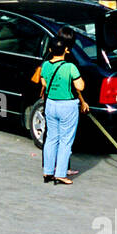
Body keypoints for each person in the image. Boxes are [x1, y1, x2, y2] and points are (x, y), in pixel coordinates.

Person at [31, 30, 88, 185]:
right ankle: (61, 174)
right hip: (67, 106)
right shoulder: (70, 67)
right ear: (66, 50)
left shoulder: (46, 65)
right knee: (65, 141)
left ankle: (48, 172)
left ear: (50, 50)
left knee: (51, 139)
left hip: (51, 105)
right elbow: (80, 86)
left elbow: (43, 83)